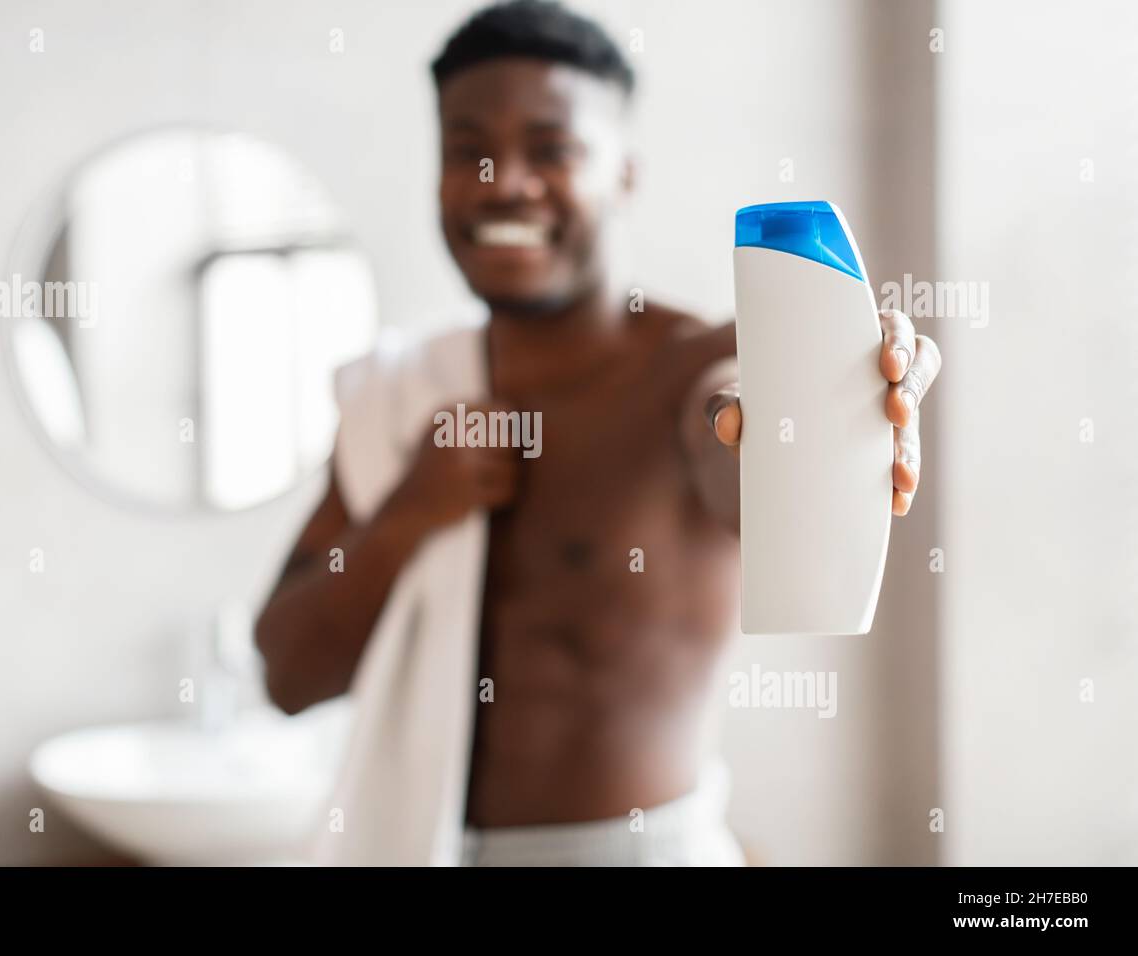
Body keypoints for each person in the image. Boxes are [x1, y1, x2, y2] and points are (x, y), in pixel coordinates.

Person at [255, 0, 940, 866]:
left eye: (552, 149)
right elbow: (285, 677)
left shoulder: (696, 368)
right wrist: (410, 511)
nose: (504, 181)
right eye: (468, 149)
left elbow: (733, 440)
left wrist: (824, 417)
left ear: (623, 174)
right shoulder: (403, 396)